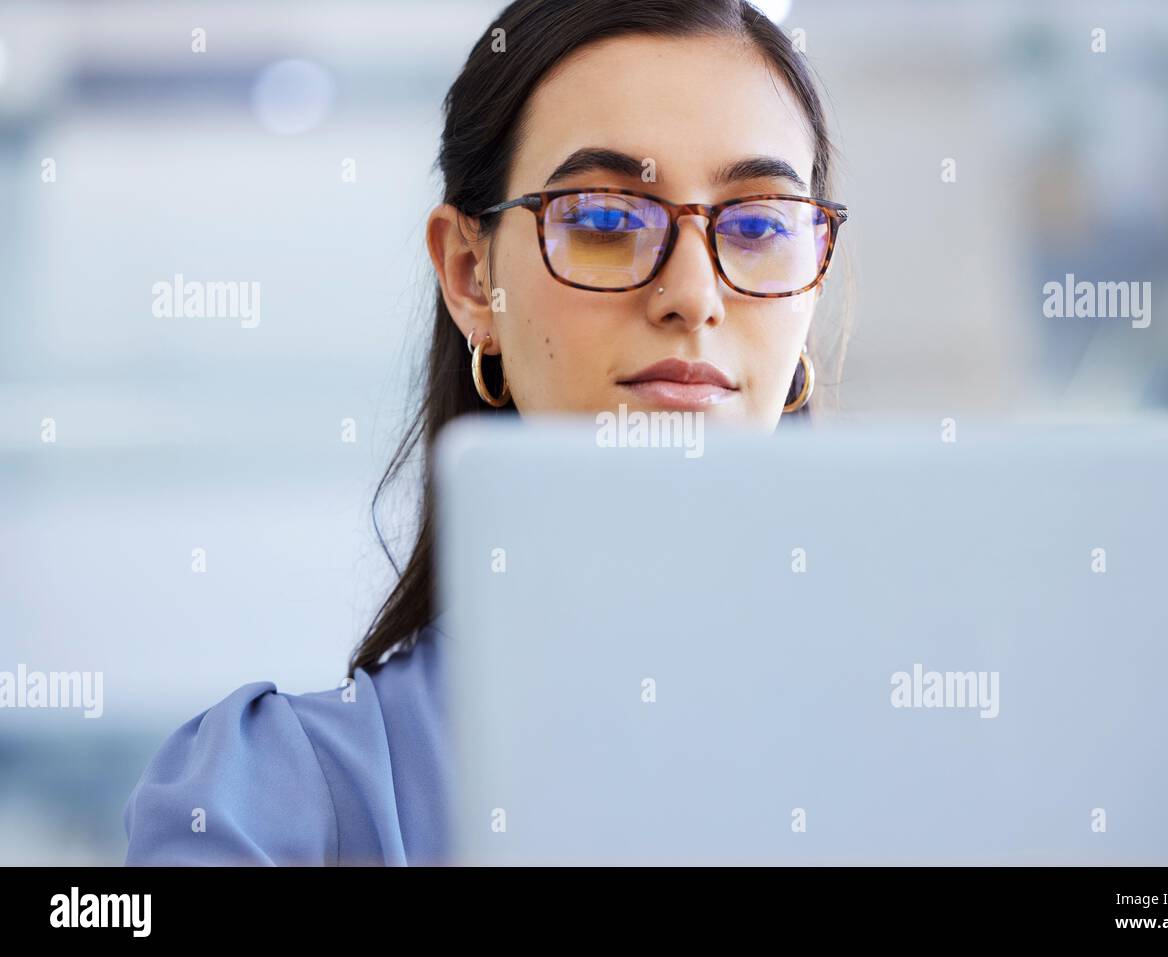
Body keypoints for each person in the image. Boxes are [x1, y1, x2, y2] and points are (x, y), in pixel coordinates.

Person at [122, 0, 851, 866]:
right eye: (609, 220)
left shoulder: (920, 749)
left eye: (761, 224)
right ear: (473, 277)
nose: (695, 294)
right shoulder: (269, 804)